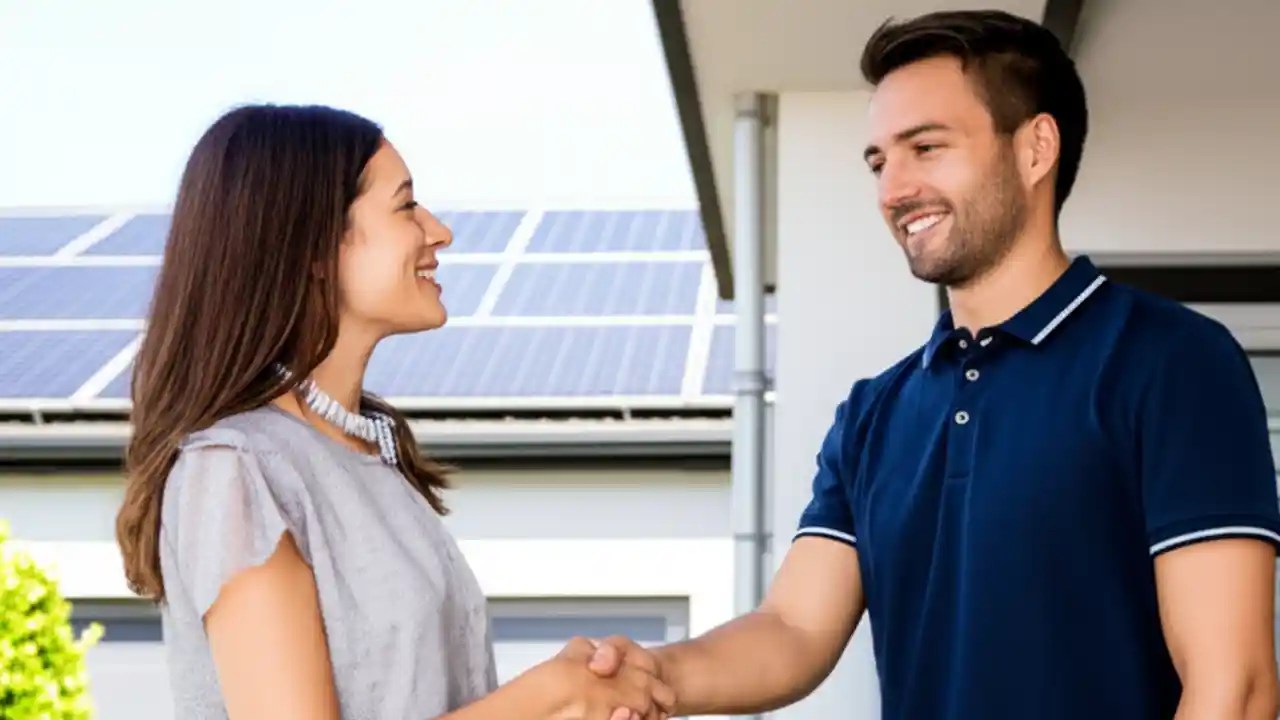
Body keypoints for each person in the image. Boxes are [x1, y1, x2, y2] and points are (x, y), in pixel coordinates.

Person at [584, 9, 1280, 720]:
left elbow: (1235, 688)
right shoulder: (874, 414)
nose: (893, 190)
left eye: (927, 147)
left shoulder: (1173, 364)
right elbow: (791, 631)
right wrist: (653, 673)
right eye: (880, 161)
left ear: (1036, 148)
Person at [113, 103, 674, 720]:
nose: (438, 231)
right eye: (406, 206)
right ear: (314, 246)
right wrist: (548, 697)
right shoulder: (237, 471)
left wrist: (569, 699)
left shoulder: (371, 461)